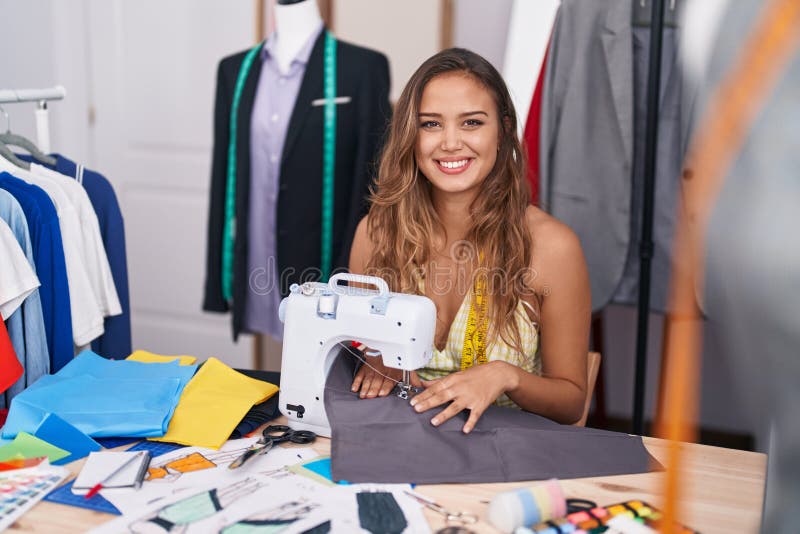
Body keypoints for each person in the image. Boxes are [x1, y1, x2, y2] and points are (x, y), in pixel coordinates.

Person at [348, 48, 591, 433]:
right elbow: (352, 347)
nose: (449, 143)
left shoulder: (553, 247)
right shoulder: (376, 233)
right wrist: (373, 357)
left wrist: (504, 375)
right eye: (430, 124)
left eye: (472, 123)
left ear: (504, 131)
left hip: (503, 454)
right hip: (396, 443)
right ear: (410, 135)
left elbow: (571, 402)